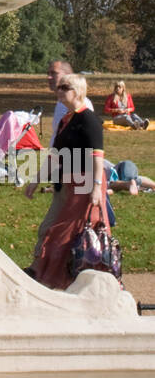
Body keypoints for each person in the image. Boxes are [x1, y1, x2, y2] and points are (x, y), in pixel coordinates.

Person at [27, 74, 111, 290]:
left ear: (78, 91)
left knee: (74, 232)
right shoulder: (67, 119)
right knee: (50, 228)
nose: (59, 90)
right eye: (59, 87)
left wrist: (96, 188)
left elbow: (97, 156)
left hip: (86, 185)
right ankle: (42, 272)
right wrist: (36, 181)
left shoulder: (89, 120)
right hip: (67, 183)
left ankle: (77, 279)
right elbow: (55, 155)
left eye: (65, 87)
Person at [47, 60, 93, 145]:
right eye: (48, 73)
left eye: (54, 73)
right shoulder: (61, 102)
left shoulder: (82, 104)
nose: (49, 77)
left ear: (67, 75)